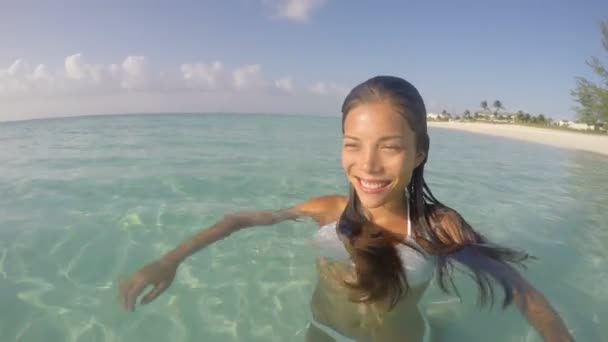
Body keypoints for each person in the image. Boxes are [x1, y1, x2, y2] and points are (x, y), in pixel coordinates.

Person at [118, 76, 574, 341]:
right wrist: (168, 260)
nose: (368, 165)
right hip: (323, 333)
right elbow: (241, 219)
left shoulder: (439, 227)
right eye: (352, 145)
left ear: (419, 152)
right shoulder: (327, 210)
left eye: (390, 147)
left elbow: (524, 294)